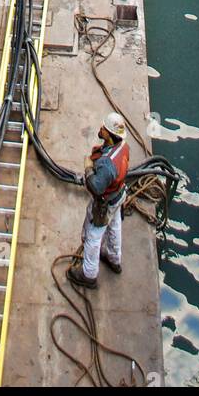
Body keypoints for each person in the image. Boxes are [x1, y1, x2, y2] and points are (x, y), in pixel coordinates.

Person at [67, 111, 129, 289]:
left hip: (105, 204)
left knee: (93, 236)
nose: (101, 129)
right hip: (118, 197)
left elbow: (96, 187)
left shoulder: (106, 164)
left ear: (110, 136)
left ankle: (89, 274)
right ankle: (113, 258)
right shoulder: (123, 147)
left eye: (104, 128)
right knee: (115, 225)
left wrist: (88, 169)